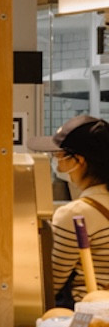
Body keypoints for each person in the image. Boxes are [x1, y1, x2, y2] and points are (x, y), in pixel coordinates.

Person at [50, 115, 109, 306]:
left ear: (79, 161)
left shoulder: (75, 214)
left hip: (91, 314)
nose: (57, 162)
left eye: (59, 155)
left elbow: (51, 283)